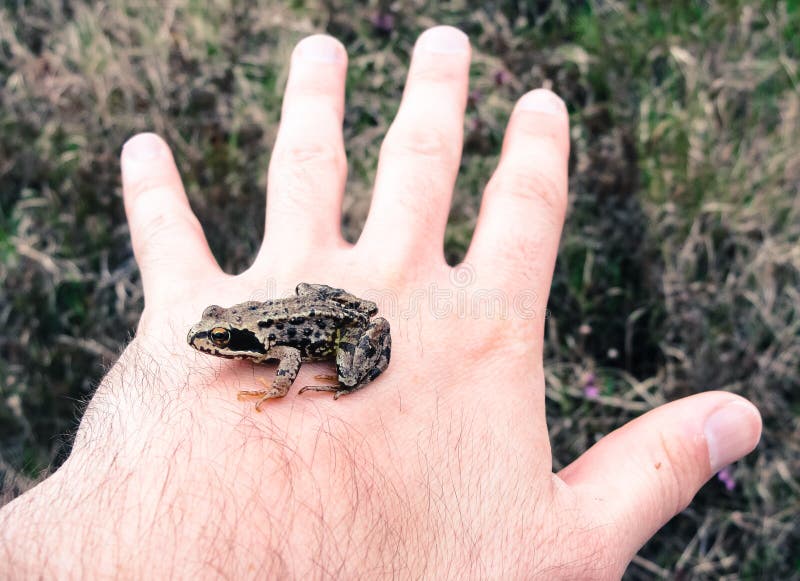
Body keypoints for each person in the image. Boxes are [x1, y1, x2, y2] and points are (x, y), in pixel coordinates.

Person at [0, 27, 761, 578]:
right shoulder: (245, 334)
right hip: (321, 307)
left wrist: (285, 388)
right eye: (217, 337)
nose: (214, 344)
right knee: (308, 307)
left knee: (334, 343)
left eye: (219, 339)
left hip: (346, 329)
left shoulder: (271, 346)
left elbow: (293, 355)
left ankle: (352, 364)